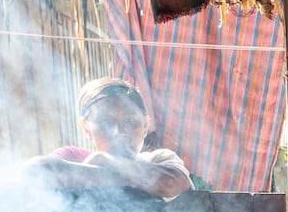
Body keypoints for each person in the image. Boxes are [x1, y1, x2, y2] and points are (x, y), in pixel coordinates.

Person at [27, 77, 193, 199]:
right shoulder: (74, 157)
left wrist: (108, 162)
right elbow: (35, 171)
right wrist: (120, 176)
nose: (118, 132)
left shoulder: (157, 159)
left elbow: (173, 183)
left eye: (130, 120)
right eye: (105, 121)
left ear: (145, 126)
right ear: (86, 128)